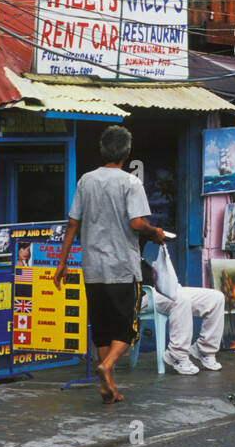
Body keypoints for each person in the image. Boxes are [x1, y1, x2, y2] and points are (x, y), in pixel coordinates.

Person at [55, 125, 165, 405]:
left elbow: (72, 223)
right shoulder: (130, 183)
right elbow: (136, 223)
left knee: (102, 329)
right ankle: (107, 368)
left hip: (92, 268)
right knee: (128, 330)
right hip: (122, 268)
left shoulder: (85, 181)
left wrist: (62, 262)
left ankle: (109, 386)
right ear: (127, 153)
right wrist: (156, 233)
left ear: (102, 151)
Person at [141, 243, 224, 375]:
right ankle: (176, 355)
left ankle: (204, 350)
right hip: (143, 296)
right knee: (180, 298)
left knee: (216, 298)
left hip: (162, 289)